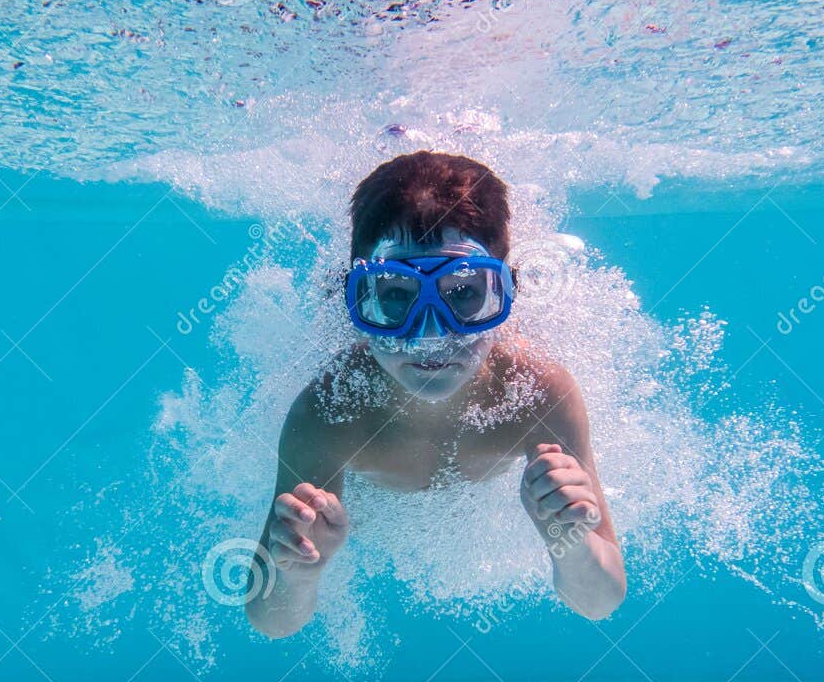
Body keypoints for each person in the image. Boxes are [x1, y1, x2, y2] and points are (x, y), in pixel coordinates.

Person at [245, 151, 626, 637]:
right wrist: (300, 573)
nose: (429, 334)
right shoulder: (331, 412)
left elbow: (600, 601)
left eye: (464, 293)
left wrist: (570, 540)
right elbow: (269, 620)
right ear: (359, 302)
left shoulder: (537, 394)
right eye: (396, 296)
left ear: (508, 291)